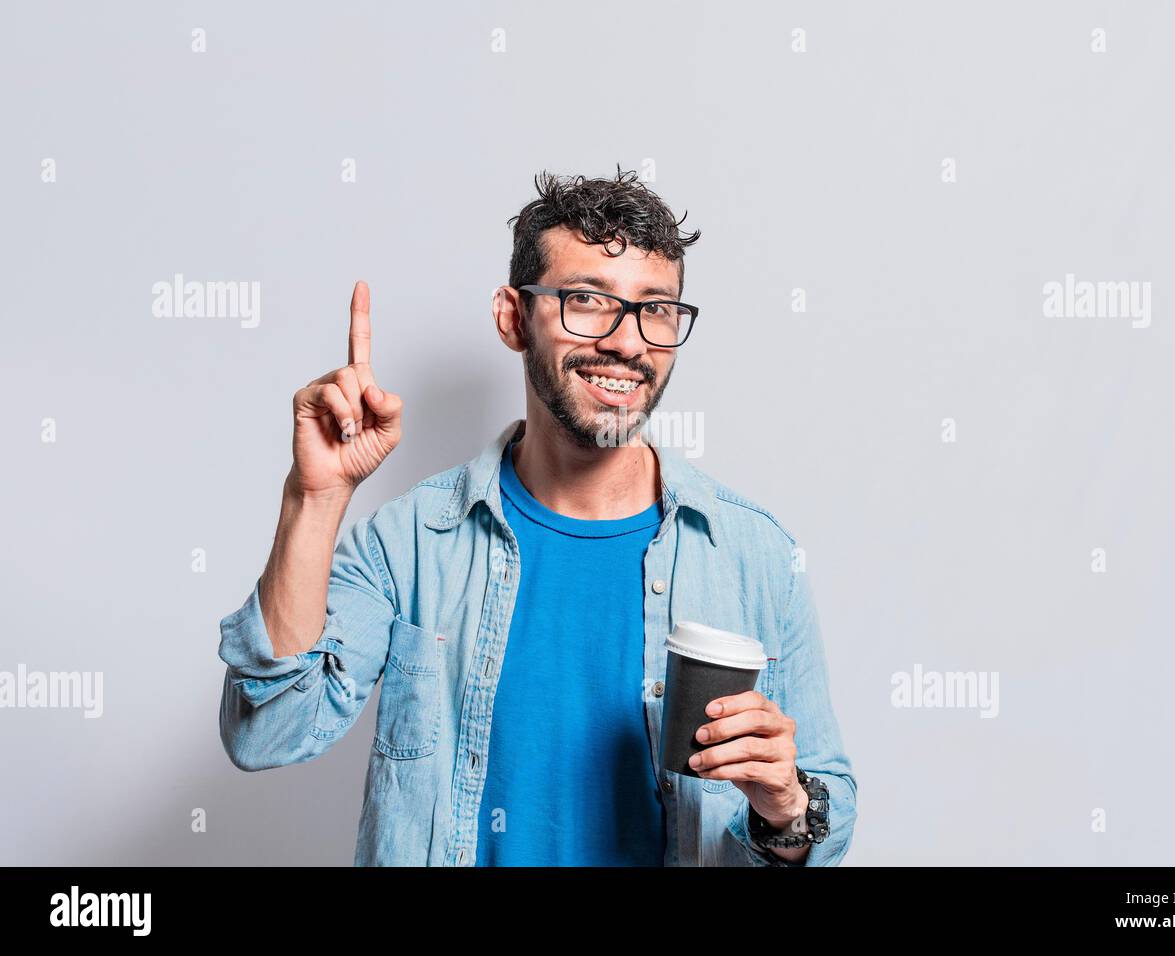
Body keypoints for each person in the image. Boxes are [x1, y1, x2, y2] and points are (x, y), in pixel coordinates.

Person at [217, 168, 856, 866]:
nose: (627, 342)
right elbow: (269, 731)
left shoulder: (754, 554)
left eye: (656, 309)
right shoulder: (410, 544)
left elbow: (826, 812)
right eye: (587, 300)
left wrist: (786, 806)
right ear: (512, 317)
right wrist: (314, 499)